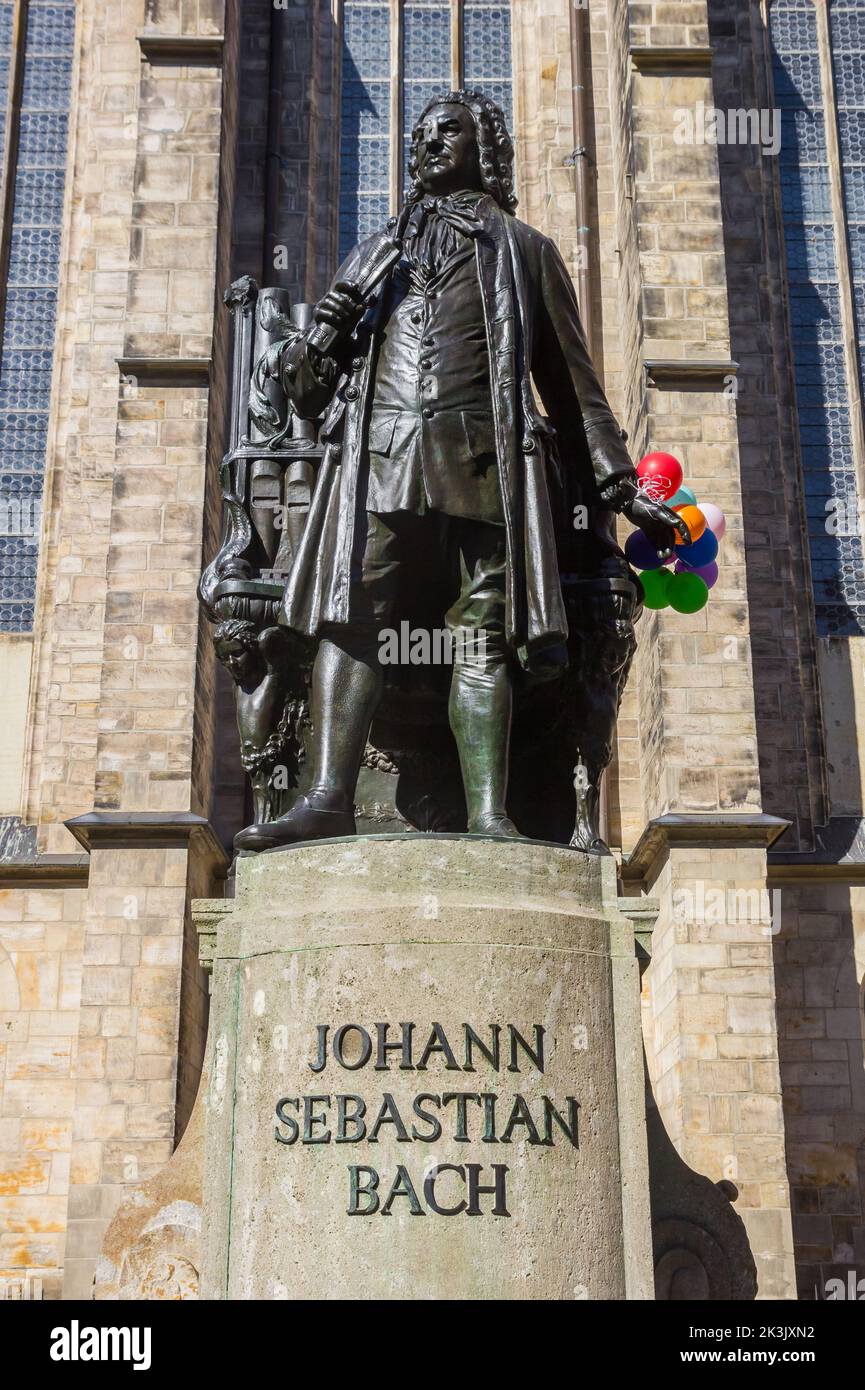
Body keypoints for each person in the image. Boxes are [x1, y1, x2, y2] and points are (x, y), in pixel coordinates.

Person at [235, 89, 684, 850]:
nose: (428, 144)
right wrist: (340, 307)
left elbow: (572, 390)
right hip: (379, 465)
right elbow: (308, 391)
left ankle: (487, 815)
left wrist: (621, 488)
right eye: (419, 135)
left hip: (486, 471)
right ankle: (326, 800)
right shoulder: (374, 251)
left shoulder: (525, 250)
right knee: (353, 626)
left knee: (484, 636)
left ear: (486, 148)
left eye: (448, 131)